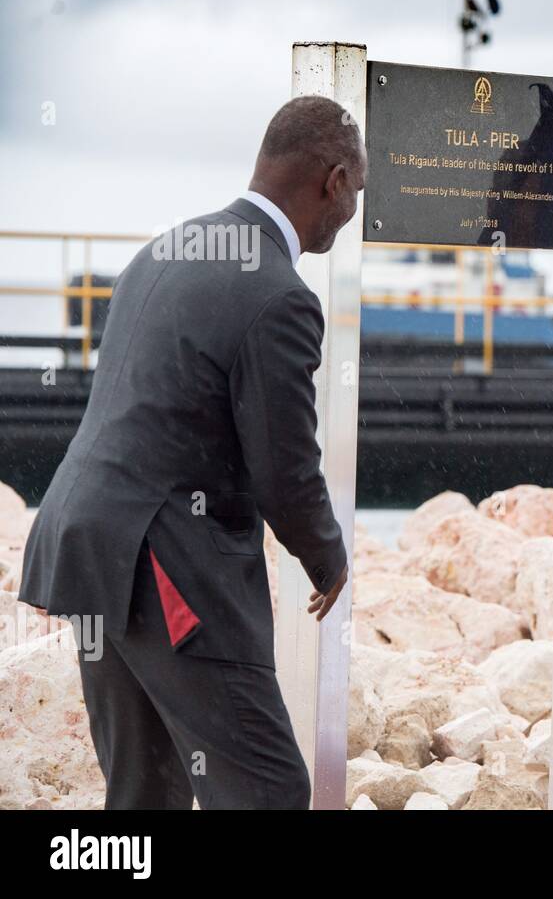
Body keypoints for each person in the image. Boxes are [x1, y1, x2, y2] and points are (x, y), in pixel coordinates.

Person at [18, 95, 366, 809]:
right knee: (266, 790)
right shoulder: (279, 296)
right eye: (357, 191)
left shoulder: (166, 248)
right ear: (331, 181)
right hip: (166, 566)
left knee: (145, 791)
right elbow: (284, 467)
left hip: (84, 550)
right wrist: (327, 556)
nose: (355, 208)